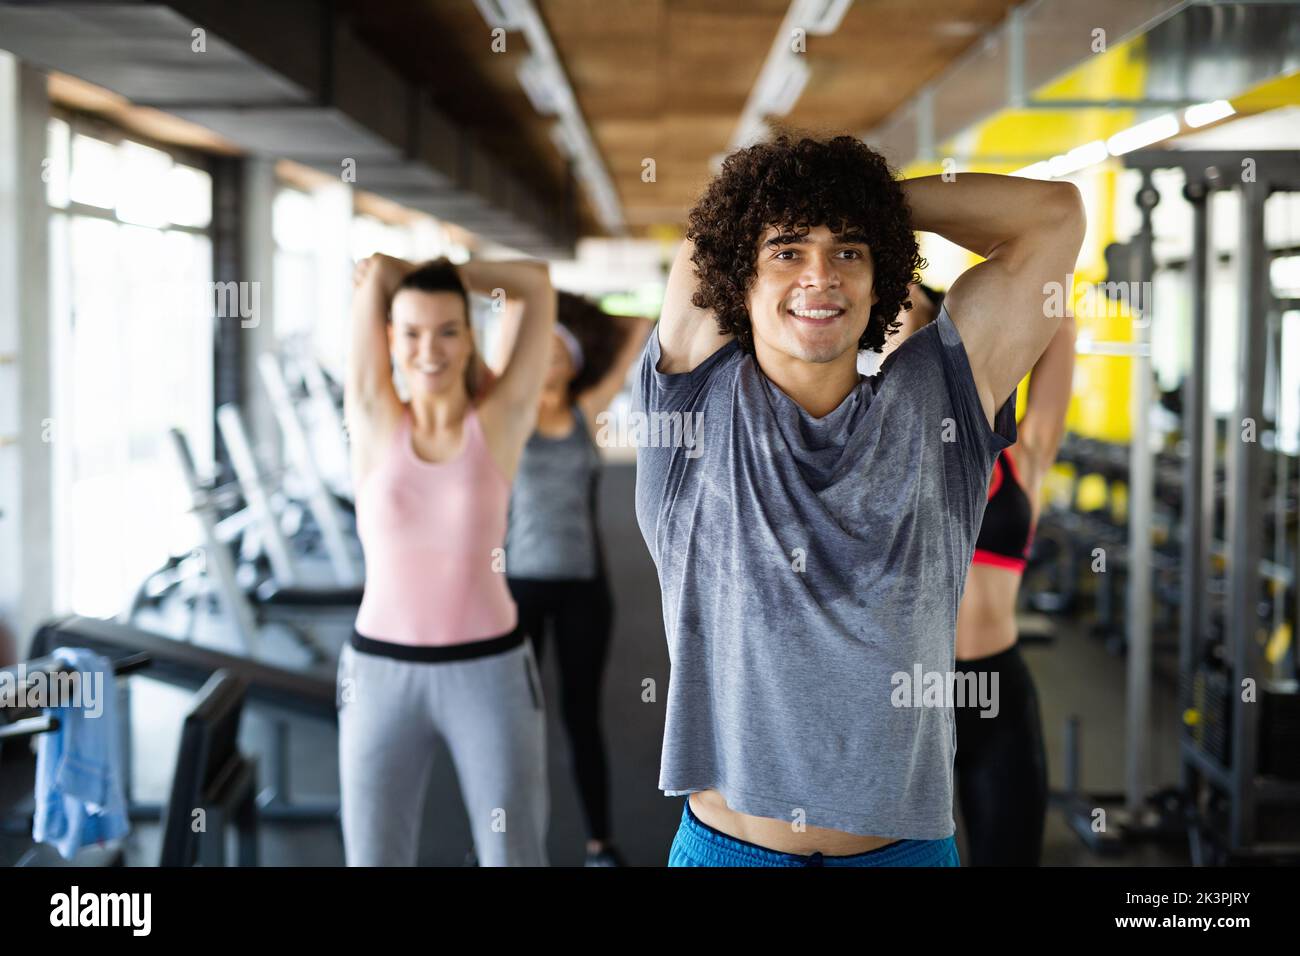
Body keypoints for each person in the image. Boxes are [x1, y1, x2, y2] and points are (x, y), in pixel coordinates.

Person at [633, 133, 1085, 867]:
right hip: (731, 852)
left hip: (901, 855)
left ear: (882, 282)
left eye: (849, 251)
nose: (820, 275)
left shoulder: (941, 399)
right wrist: (826, 202)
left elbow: (1055, 216)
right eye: (786, 251)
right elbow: (705, 234)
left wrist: (861, 198)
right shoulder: (690, 404)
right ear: (736, 283)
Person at [338, 252, 556, 866]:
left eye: (447, 330)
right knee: (373, 860)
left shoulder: (499, 421)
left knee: (512, 856)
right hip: (378, 674)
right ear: (389, 338)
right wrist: (400, 272)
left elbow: (536, 284)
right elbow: (377, 272)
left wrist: (442, 270)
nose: (427, 349)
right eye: (410, 333)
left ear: (469, 338)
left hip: (489, 673)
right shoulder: (375, 421)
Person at [891, 283, 1076, 866]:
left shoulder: (1022, 457)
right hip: (901, 693)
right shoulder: (872, 450)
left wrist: (988, 283)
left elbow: (1058, 315)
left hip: (995, 690)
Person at [500, 291, 653, 867]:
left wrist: (585, 323)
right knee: (508, 721)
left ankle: (599, 843)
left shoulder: (588, 408)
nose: (549, 359)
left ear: (575, 359)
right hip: (516, 589)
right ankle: (495, 839)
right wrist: (536, 319)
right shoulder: (505, 412)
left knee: (580, 717)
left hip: (584, 587)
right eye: (541, 349)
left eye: (560, 350)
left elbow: (638, 323)